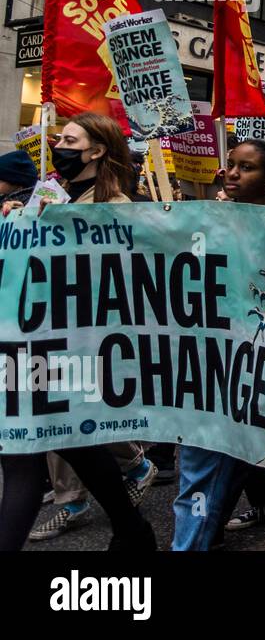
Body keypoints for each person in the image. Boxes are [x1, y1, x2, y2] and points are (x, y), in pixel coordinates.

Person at [0, 113, 156, 551]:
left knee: (24, 456)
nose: (59, 147)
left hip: (73, 350)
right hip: (31, 345)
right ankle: (133, 530)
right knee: (71, 445)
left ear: (97, 150)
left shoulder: (118, 207)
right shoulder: (49, 198)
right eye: (59, 139)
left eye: (70, 140)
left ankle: (133, 529)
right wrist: (21, 220)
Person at [172, 139, 265, 550]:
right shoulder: (203, 223)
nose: (232, 174)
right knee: (195, 490)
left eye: (246, 168)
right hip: (212, 381)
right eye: (230, 165)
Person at [0, 149, 37, 215]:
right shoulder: (3, 200)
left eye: (0, 181)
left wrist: (22, 214)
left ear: (17, 182)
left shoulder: (35, 204)